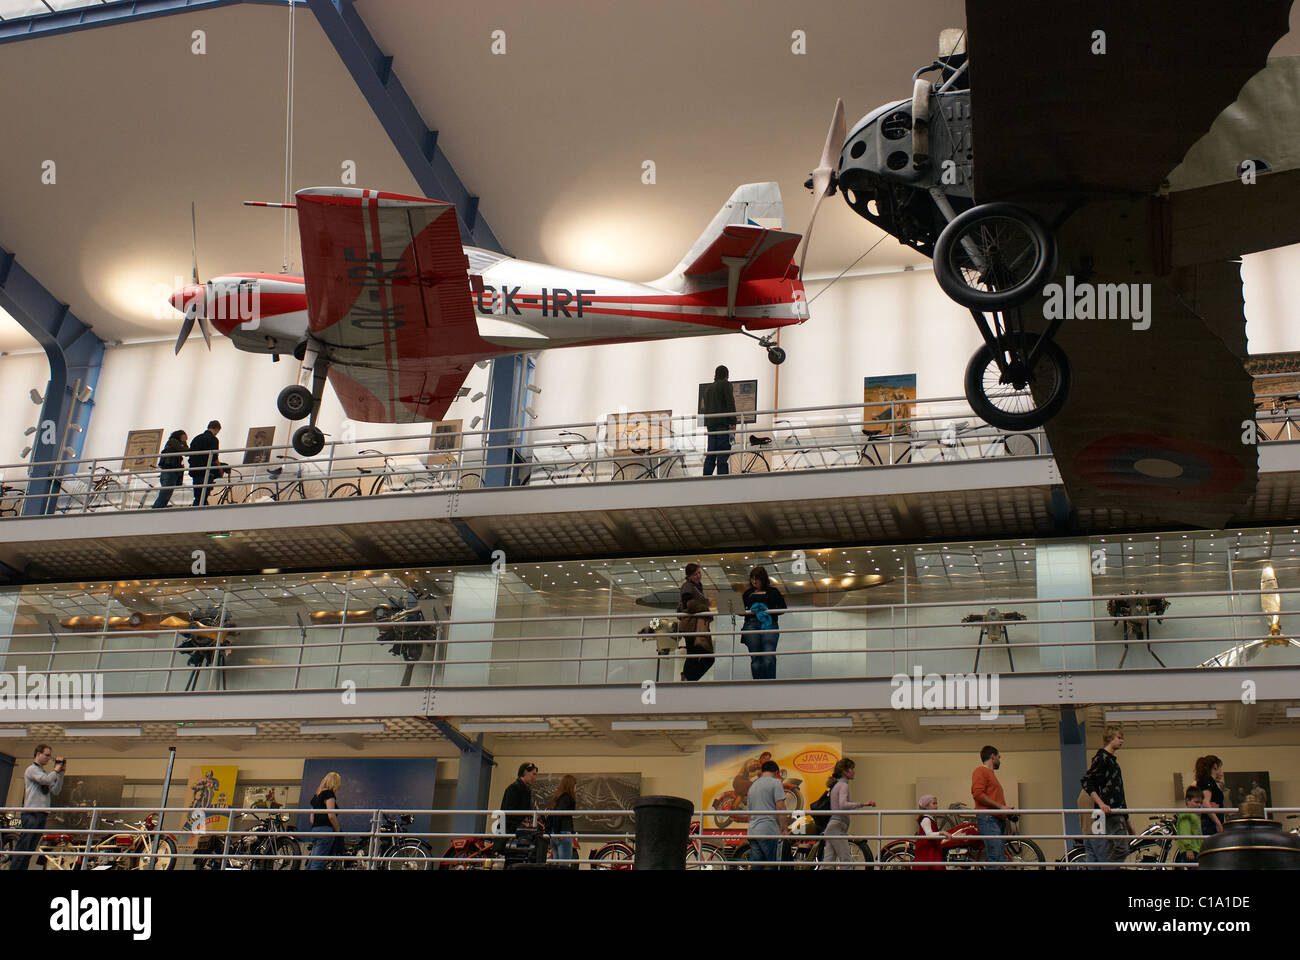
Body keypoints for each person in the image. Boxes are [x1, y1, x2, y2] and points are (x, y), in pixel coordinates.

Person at [1081, 725, 1131, 869]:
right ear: (1110, 738)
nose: (1122, 741)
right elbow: (1086, 781)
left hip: (1113, 810)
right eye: (1119, 738)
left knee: (1106, 850)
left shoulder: (1111, 760)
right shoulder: (1102, 758)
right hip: (1109, 811)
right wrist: (1101, 803)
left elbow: (1119, 792)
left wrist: (1128, 820)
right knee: (1120, 848)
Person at [10, 744, 65, 871]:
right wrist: (56, 769)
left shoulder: (45, 773)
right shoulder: (32, 769)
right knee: (24, 845)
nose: (48, 758)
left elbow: (56, 790)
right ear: (38, 754)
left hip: (42, 813)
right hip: (31, 813)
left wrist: (61, 773)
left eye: (49, 756)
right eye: (46, 755)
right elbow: (45, 781)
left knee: (30, 848)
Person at [822, 758, 874, 868]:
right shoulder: (843, 785)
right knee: (846, 861)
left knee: (828, 862)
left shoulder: (837, 786)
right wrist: (863, 804)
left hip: (833, 827)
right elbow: (843, 804)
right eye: (851, 769)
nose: (853, 771)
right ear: (845, 771)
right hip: (837, 827)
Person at [741, 565, 787, 680]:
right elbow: (740, 611)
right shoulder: (747, 593)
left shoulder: (773, 591)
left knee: (768, 657)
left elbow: (783, 608)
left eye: (757, 578)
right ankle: (758, 685)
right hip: (751, 624)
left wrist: (769, 612)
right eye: (752, 578)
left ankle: (769, 685)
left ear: (763, 579)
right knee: (755, 659)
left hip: (769, 623)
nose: (754, 581)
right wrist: (749, 612)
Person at [971, 745, 1013, 867]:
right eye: (998, 757)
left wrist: (1005, 810)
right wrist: (1001, 807)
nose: (999, 760)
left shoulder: (991, 775)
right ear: (992, 756)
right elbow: (978, 794)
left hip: (996, 819)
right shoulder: (980, 771)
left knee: (999, 859)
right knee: (996, 858)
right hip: (988, 819)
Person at [745, 760, 789, 870]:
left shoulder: (753, 786)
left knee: (756, 866)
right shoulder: (776, 783)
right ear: (776, 772)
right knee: (774, 865)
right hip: (768, 831)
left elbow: (749, 815)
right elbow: (781, 807)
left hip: (753, 832)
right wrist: (784, 829)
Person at [677, 563, 715, 681]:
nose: (698, 576)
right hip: (693, 626)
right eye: (695, 574)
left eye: (699, 573)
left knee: (693, 655)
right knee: (703, 657)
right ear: (689, 576)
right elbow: (689, 605)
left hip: (694, 626)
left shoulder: (695, 587)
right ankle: (690, 678)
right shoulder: (689, 587)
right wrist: (705, 606)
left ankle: (688, 678)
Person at [700, 365, 738, 476]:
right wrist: (733, 422)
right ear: (727, 375)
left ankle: (705, 479)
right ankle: (723, 482)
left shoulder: (708, 389)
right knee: (722, 455)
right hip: (723, 424)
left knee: (711, 454)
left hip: (711, 426)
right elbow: (730, 404)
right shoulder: (726, 384)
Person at [306, 771, 342, 870]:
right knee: (317, 864)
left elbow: (311, 819)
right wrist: (338, 830)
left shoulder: (316, 796)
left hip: (314, 831)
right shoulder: (329, 794)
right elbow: (331, 815)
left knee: (311, 862)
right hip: (325, 831)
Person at [546, 774, 578, 867]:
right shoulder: (567, 797)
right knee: (564, 865)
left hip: (555, 834)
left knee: (556, 865)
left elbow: (551, 816)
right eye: (575, 785)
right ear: (571, 786)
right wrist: (558, 832)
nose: (576, 788)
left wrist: (551, 833)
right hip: (562, 833)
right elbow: (559, 814)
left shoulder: (558, 797)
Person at [501, 762, 539, 842]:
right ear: (525, 772)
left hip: (516, 828)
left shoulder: (523, 789)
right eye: (533, 774)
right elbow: (509, 810)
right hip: (512, 828)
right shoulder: (514, 788)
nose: (534, 777)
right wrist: (522, 822)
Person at [188, 420, 222, 506]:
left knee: (198, 495)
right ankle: (199, 512)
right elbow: (214, 457)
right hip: (206, 471)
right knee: (203, 495)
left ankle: (198, 510)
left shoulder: (197, 438)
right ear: (217, 429)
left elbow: (190, 453)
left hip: (195, 470)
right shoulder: (213, 439)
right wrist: (219, 469)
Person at [152, 429, 188, 508]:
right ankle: (156, 508)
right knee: (165, 493)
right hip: (170, 471)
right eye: (184, 436)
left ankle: (159, 508)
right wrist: (184, 443)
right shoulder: (173, 441)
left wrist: (184, 443)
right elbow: (185, 451)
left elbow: (186, 452)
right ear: (180, 435)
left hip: (170, 471)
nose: (185, 438)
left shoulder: (174, 442)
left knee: (167, 493)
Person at [915, 794, 949, 871]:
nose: (936, 806)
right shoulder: (926, 819)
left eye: (936, 803)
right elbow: (929, 834)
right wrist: (941, 833)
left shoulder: (930, 818)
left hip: (932, 848)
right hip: (928, 849)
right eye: (934, 803)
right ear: (926, 806)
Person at [1193, 754, 1225, 837]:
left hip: (1208, 822)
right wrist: (1217, 823)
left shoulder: (1206, 780)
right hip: (1210, 823)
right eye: (1220, 768)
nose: (1221, 771)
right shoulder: (1208, 780)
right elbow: (1205, 802)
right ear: (1215, 766)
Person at [1175, 786, 1203, 864]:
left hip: (1196, 849)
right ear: (1187, 800)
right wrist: (1188, 849)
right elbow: (1185, 831)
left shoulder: (1194, 815)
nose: (1199, 805)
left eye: (1201, 803)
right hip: (1190, 850)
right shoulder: (1186, 814)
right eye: (1196, 802)